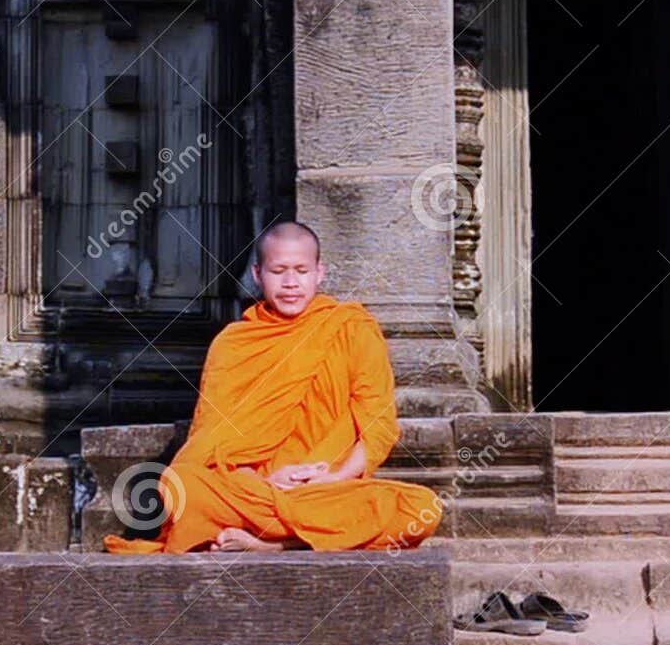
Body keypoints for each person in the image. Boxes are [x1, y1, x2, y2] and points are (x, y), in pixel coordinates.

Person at [103, 221, 443, 553]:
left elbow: (378, 426)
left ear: (319, 273)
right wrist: (265, 481)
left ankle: (274, 542)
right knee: (180, 484)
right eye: (279, 271)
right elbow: (214, 440)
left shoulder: (351, 328)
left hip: (325, 489)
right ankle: (304, 533)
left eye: (301, 270)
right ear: (257, 274)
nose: (291, 283)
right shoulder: (234, 344)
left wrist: (335, 479)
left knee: (419, 508)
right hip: (257, 489)